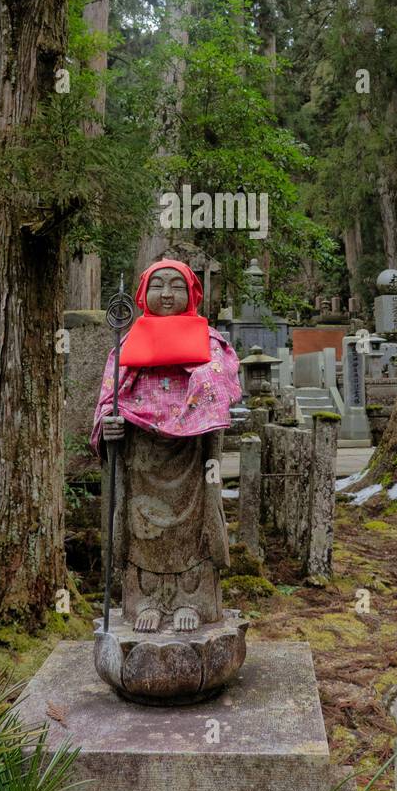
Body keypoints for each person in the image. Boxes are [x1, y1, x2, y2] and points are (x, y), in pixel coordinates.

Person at [91, 260, 241, 633]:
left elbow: (222, 384)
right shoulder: (126, 343)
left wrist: (201, 396)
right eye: (159, 285)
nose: (168, 294)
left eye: (177, 286)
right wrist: (110, 427)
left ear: (192, 293)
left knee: (193, 525)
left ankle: (192, 598)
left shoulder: (210, 341)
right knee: (142, 524)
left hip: (191, 452)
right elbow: (110, 397)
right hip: (142, 454)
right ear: (144, 294)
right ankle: (146, 599)